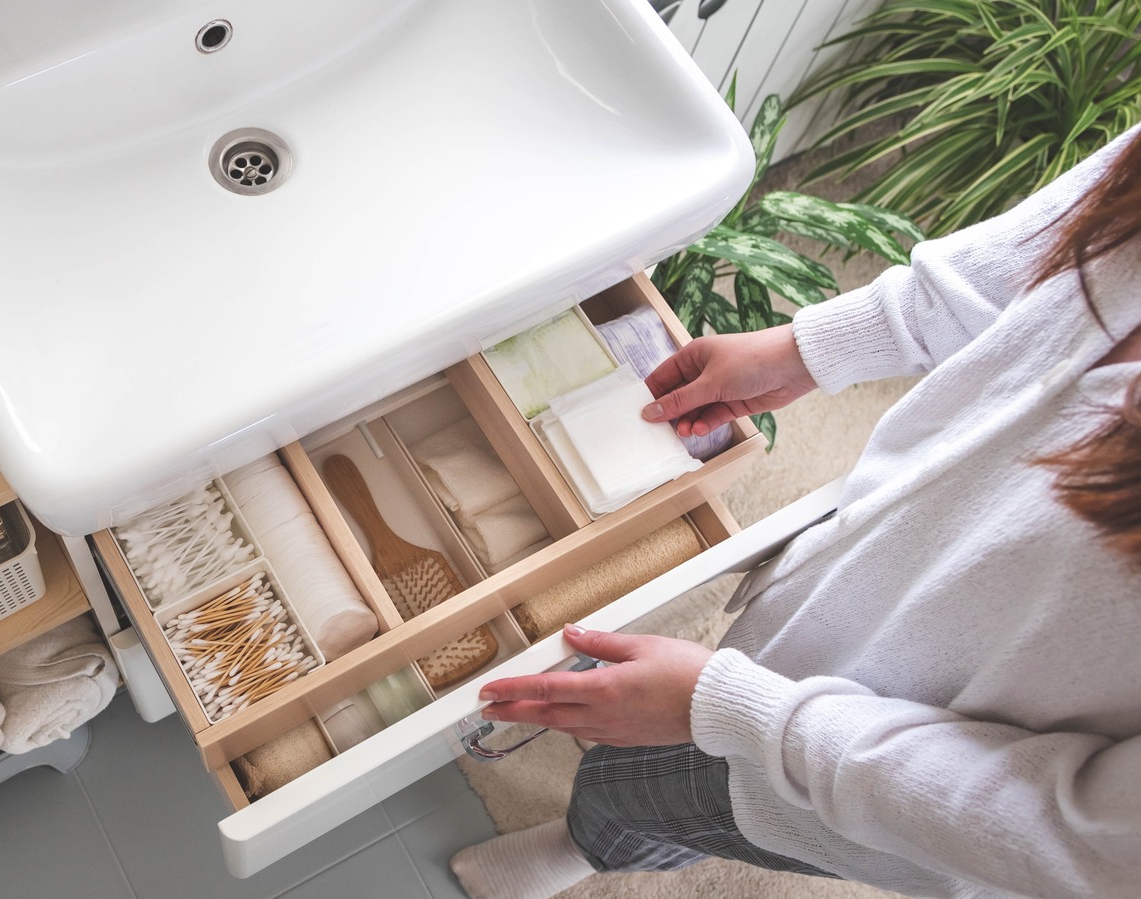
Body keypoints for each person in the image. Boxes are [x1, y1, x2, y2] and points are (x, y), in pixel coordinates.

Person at [450, 125, 1141, 899]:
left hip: (889, 770)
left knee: (664, 789)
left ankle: (586, 843)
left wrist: (739, 711)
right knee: (684, 742)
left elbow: (1073, 839)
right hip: (865, 573)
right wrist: (811, 349)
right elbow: (1029, 257)